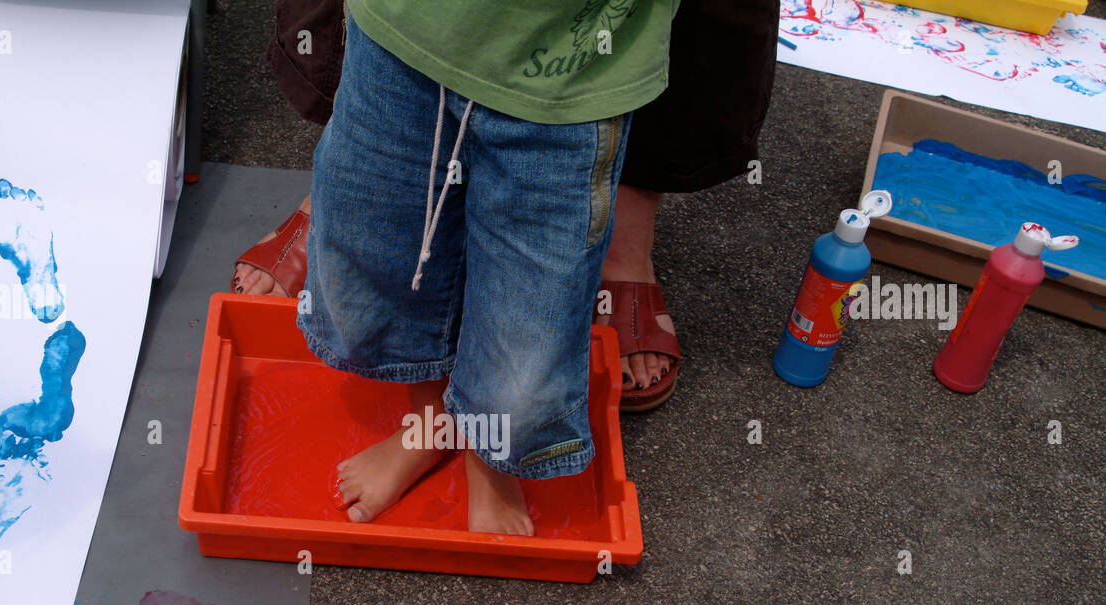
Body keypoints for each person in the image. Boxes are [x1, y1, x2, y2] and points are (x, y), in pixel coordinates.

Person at [235, 0, 780, 413]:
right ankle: (427, 418)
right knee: (377, 206)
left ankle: (625, 236)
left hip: (581, 70)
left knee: (536, 297)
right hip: (401, 30)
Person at [289, 2, 677, 535]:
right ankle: (430, 424)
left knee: (528, 342)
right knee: (384, 261)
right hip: (405, 34)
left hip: (569, 73)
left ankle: (489, 458)